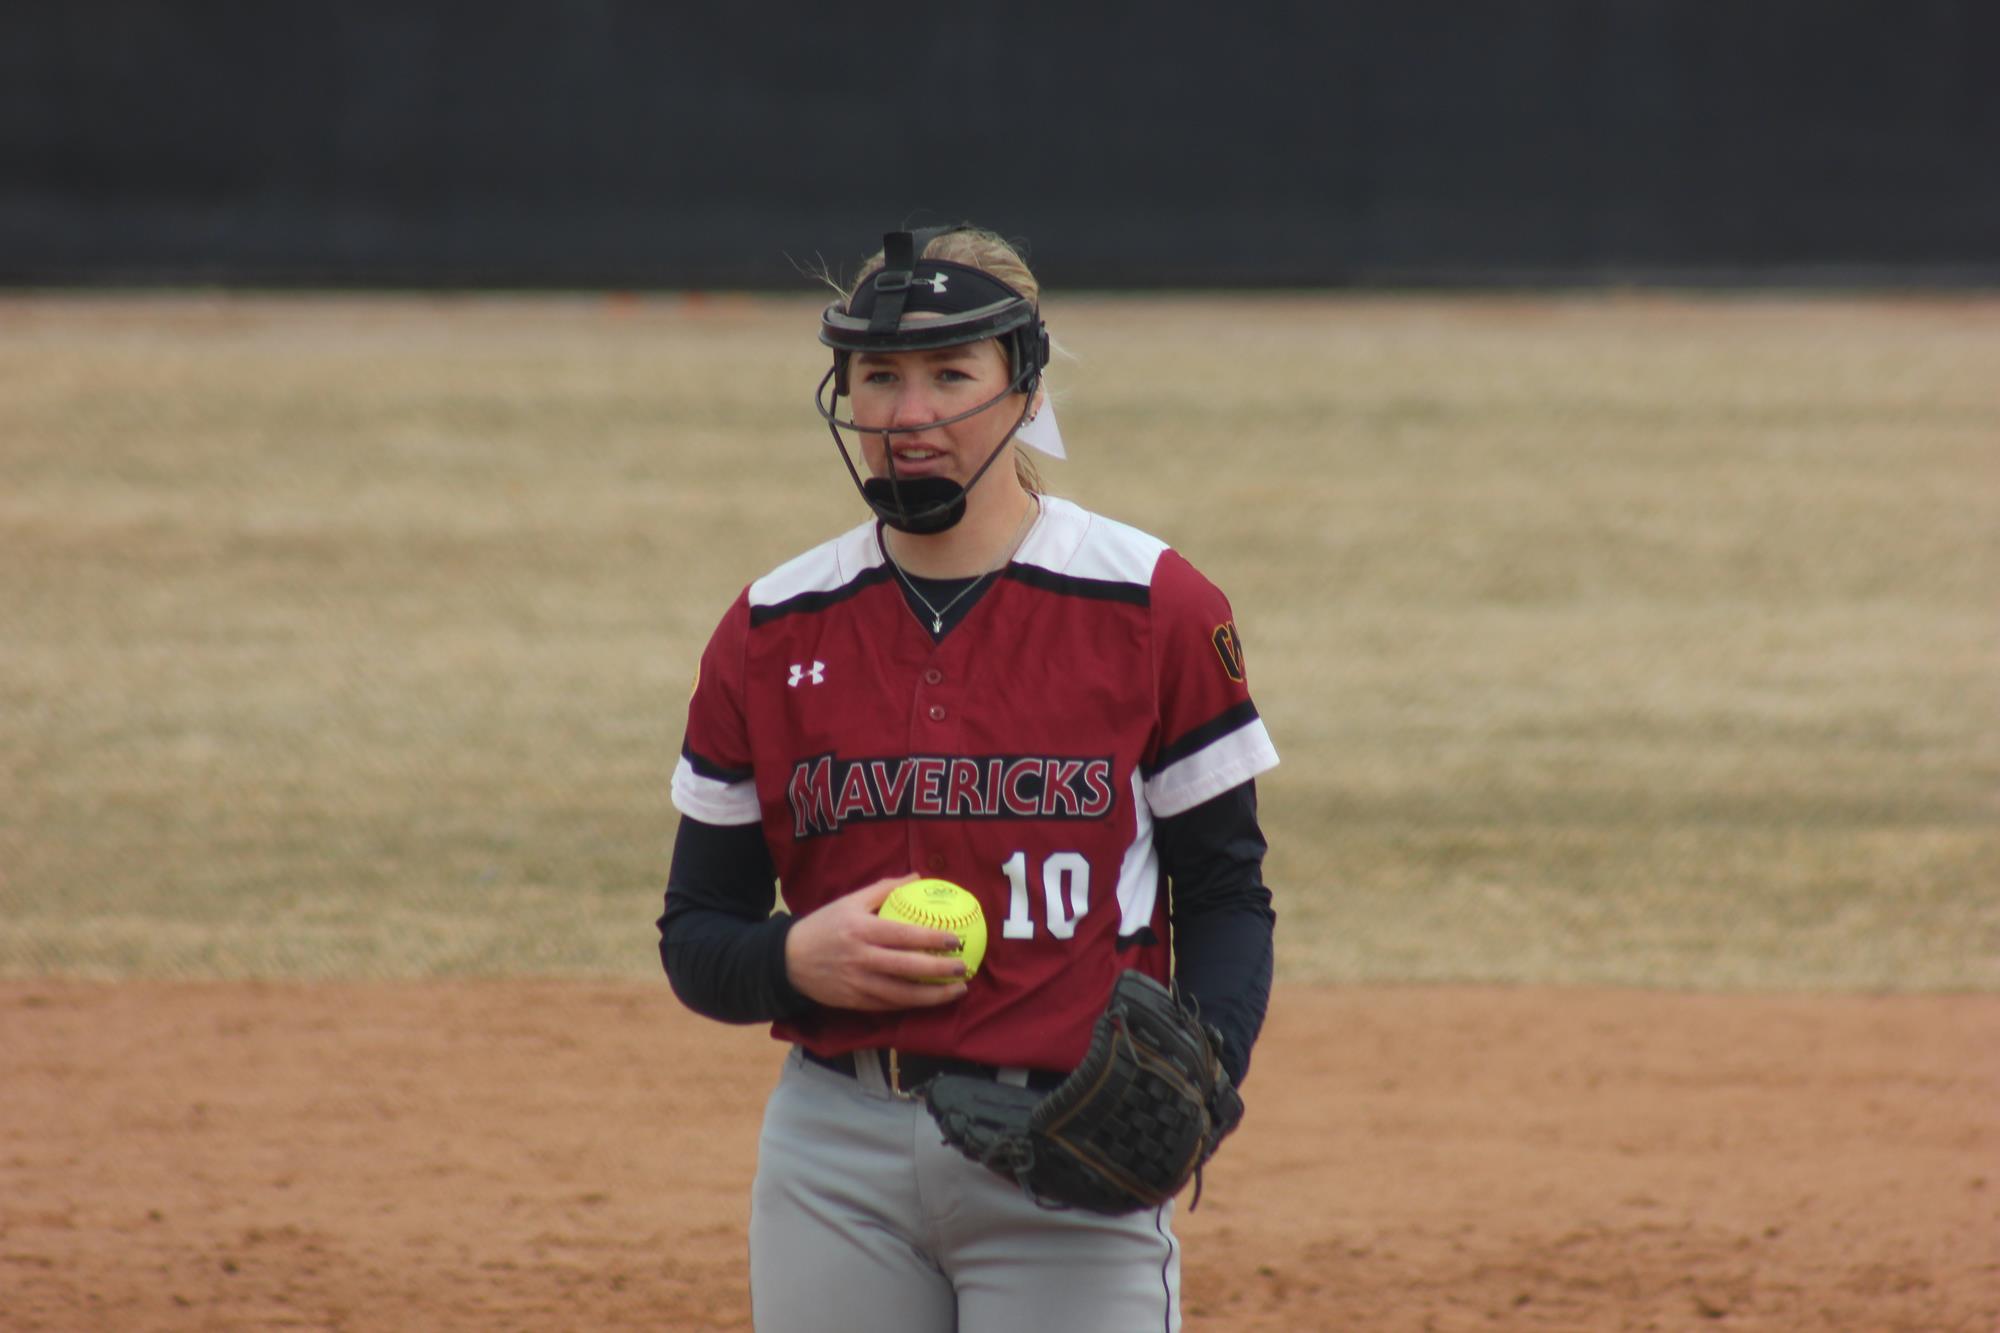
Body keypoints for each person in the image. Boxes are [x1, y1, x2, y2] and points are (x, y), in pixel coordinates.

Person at [657, 223, 1279, 1332]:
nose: (910, 413)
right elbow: (698, 934)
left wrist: (1205, 1072)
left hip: (1073, 1147)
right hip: (831, 1159)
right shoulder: (767, 626)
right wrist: (791, 958)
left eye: (951, 373)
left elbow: (1226, 891)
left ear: (1022, 385)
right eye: (879, 376)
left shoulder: (1151, 605)